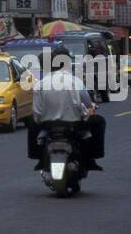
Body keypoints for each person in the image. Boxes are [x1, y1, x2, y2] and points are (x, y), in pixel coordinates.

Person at [27, 44, 106, 172]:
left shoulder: (40, 85)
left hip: (48, 124)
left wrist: (40, 120)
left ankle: (39, 158)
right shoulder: (73, 81)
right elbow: (82, 104)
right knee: (99, 121)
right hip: (73, 124)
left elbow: (37, 113)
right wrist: (86, 114)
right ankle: (91, 158)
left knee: (31, 122)